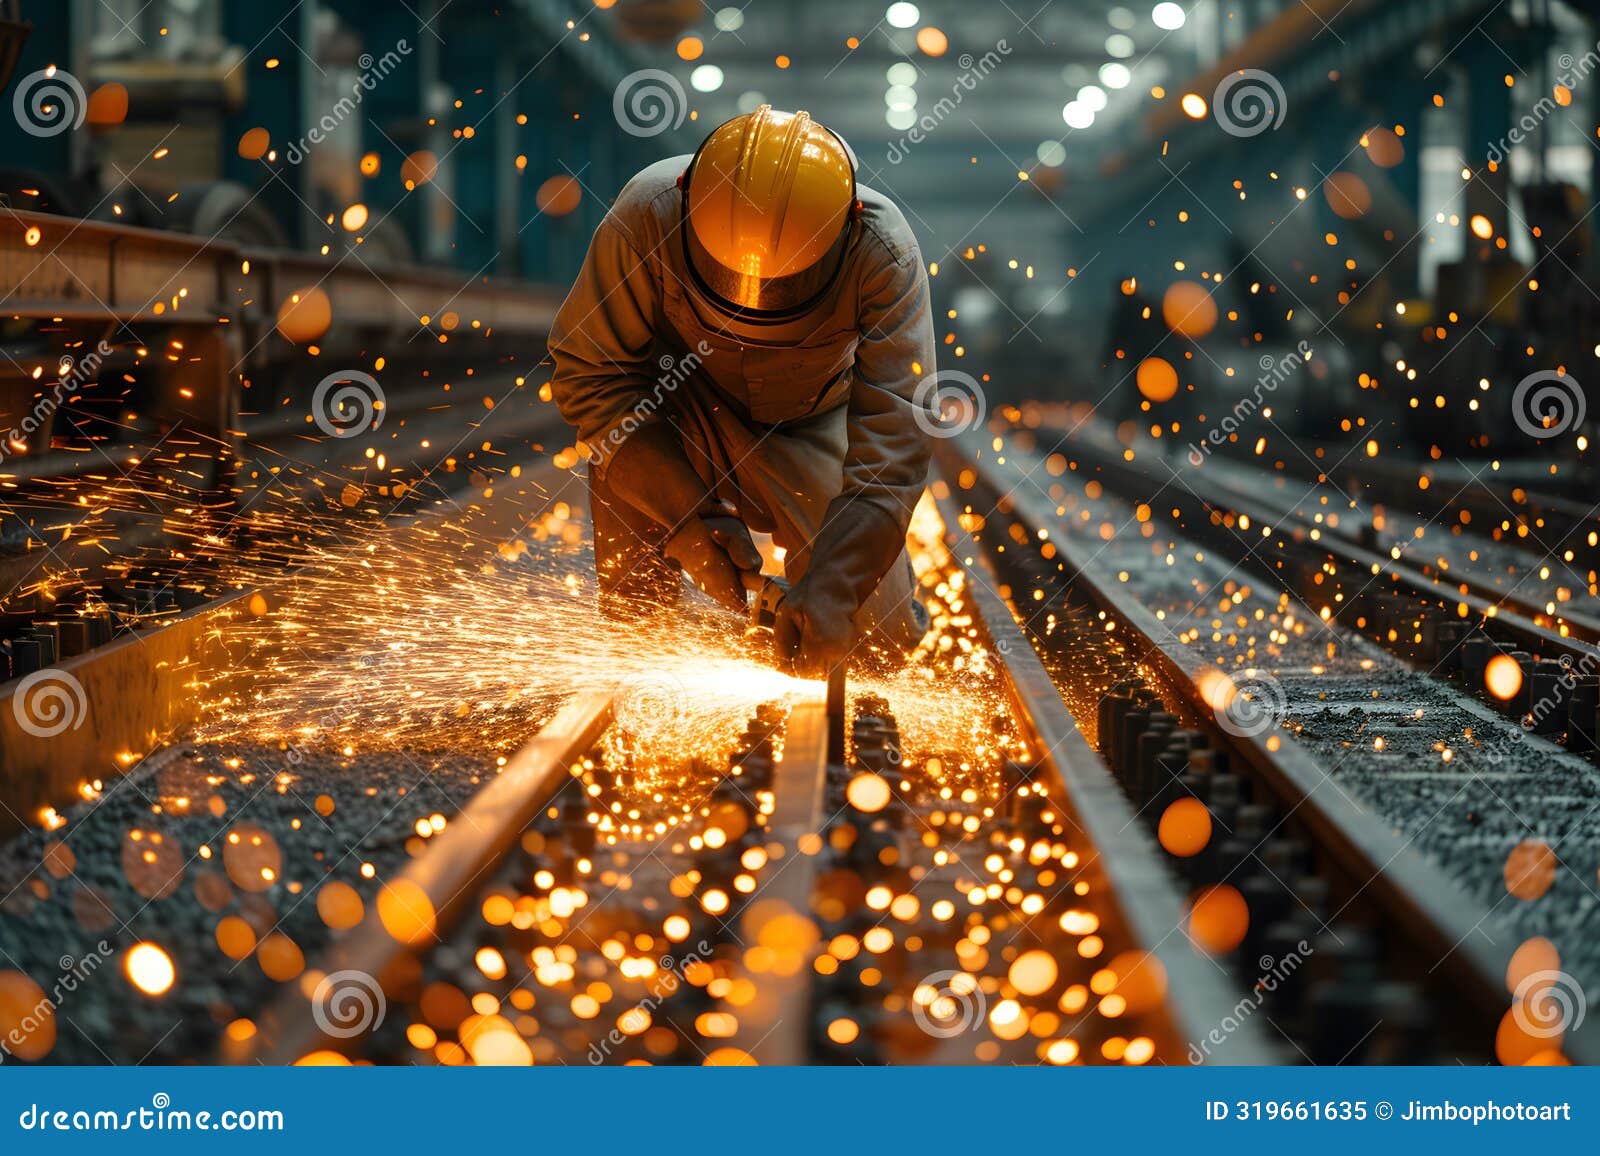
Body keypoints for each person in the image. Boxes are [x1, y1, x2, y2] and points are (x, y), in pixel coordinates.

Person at [548, 104, 935, 677]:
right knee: (638, 628)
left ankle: (808, 613)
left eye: (784, 289)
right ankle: (646, 662)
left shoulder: (885, 252)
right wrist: (687, 516)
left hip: (811, 422)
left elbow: (894, 451)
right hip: (677, 413)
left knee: (870, 648)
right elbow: (594, 380)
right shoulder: (644, 216)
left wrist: (833, 584)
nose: (751, 302)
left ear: (848, 228)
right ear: (685, 197)